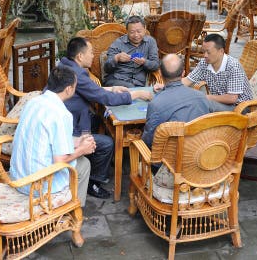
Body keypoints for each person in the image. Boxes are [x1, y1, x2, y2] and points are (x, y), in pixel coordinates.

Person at [61, 37, 152, 199]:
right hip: (68, 129)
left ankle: (95, 163)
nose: (93, 56)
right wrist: (136, 93)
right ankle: (93, 182)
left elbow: (90, 90)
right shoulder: (77, 75)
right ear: (80, 56)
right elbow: (106, 99)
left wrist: (112, 88)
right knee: (107, 143)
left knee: (97, 121)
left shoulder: (66, 66)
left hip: (75, 119)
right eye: (90, 52)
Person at [10, 66, 96, 207]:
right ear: (69, 89)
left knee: (78, 157)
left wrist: (78, 141)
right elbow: (59, 161)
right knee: (84, 164)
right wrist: (82, 149)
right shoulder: (61, 114)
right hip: (37, 186)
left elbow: (46, 139)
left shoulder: (33, 102)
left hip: (18, 176)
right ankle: (71, 210)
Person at [142, 54, 210, 147]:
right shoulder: (202, 97)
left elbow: (148, 142)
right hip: (197, 155)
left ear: (160, 74)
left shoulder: (155, 104)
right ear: (183, 73)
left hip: (168, 160)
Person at [178, 34, 253, 112]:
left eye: (208, 52)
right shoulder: (205, 63)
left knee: (203, 104)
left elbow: (232, 98)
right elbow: (188, 80)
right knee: (193, 102)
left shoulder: (233, 66)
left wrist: (206, 97)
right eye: (204, 51)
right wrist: (168, 86)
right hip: (220, 103)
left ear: (221, 51)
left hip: (241, 107)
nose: (205, 55)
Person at [104, 16, 159, 88]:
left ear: (145, 29)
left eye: (139, 31)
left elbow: (156, 65)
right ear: (127, 31)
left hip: (139, 82)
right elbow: (106, 68)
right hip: (117, 80)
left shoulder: (150, 42)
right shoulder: (118, 43)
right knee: (131, 88)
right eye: (132, 32)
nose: (136, 35)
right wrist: (116, 58)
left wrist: (144, 62)